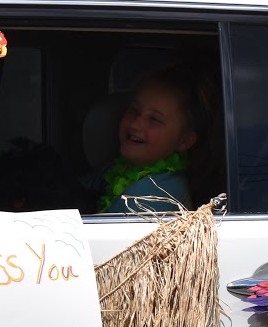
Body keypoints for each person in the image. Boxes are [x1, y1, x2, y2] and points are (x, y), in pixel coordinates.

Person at [85, 66, 204, 215]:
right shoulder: (117, 169)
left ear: (184, 141)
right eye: (134, 110)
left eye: (154, 119)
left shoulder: (154, 195)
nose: (135, 124)